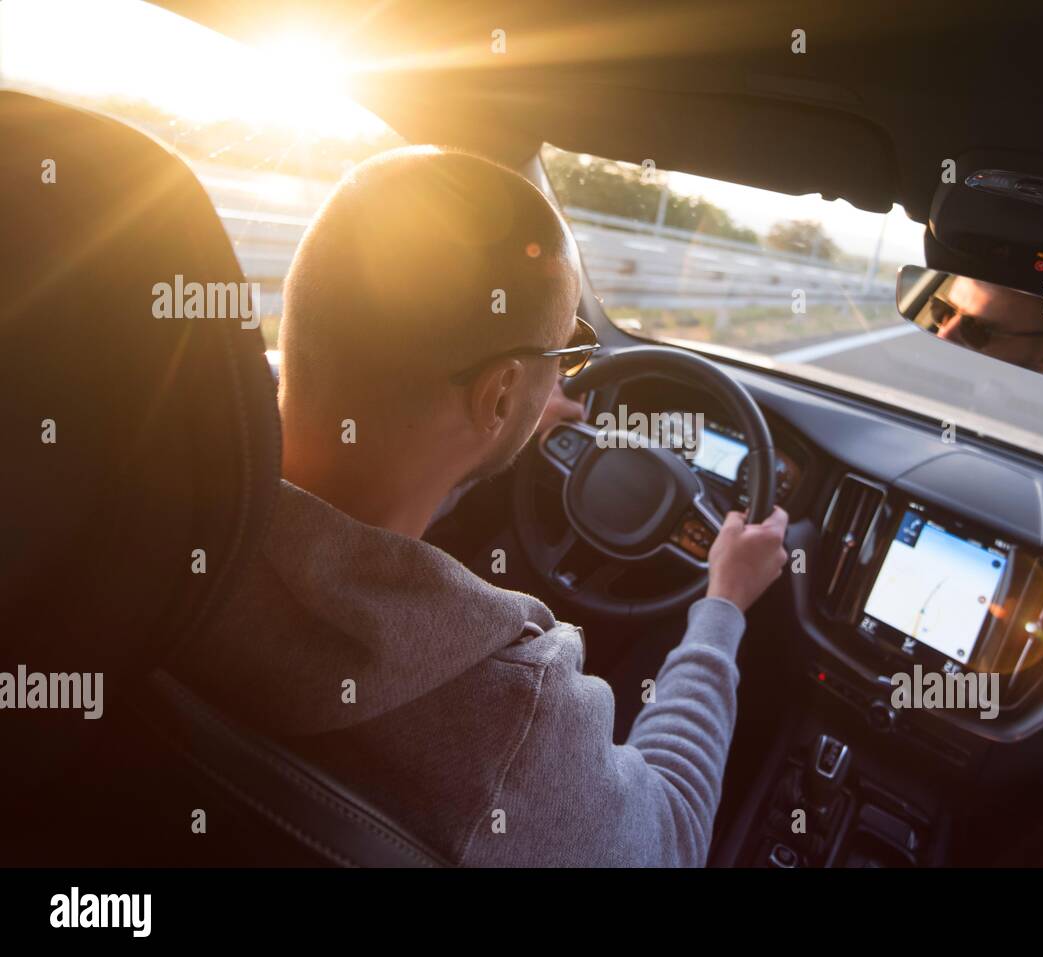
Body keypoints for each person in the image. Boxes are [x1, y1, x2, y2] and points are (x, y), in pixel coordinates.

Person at [173, 146, 790, 866]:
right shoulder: (514, 714)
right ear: (497, 393)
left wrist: (510, 420)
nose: (566, 376)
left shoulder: (153, 503)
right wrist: (724, 606)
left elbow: (347, 503)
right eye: (566, 354)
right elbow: (675, 831)